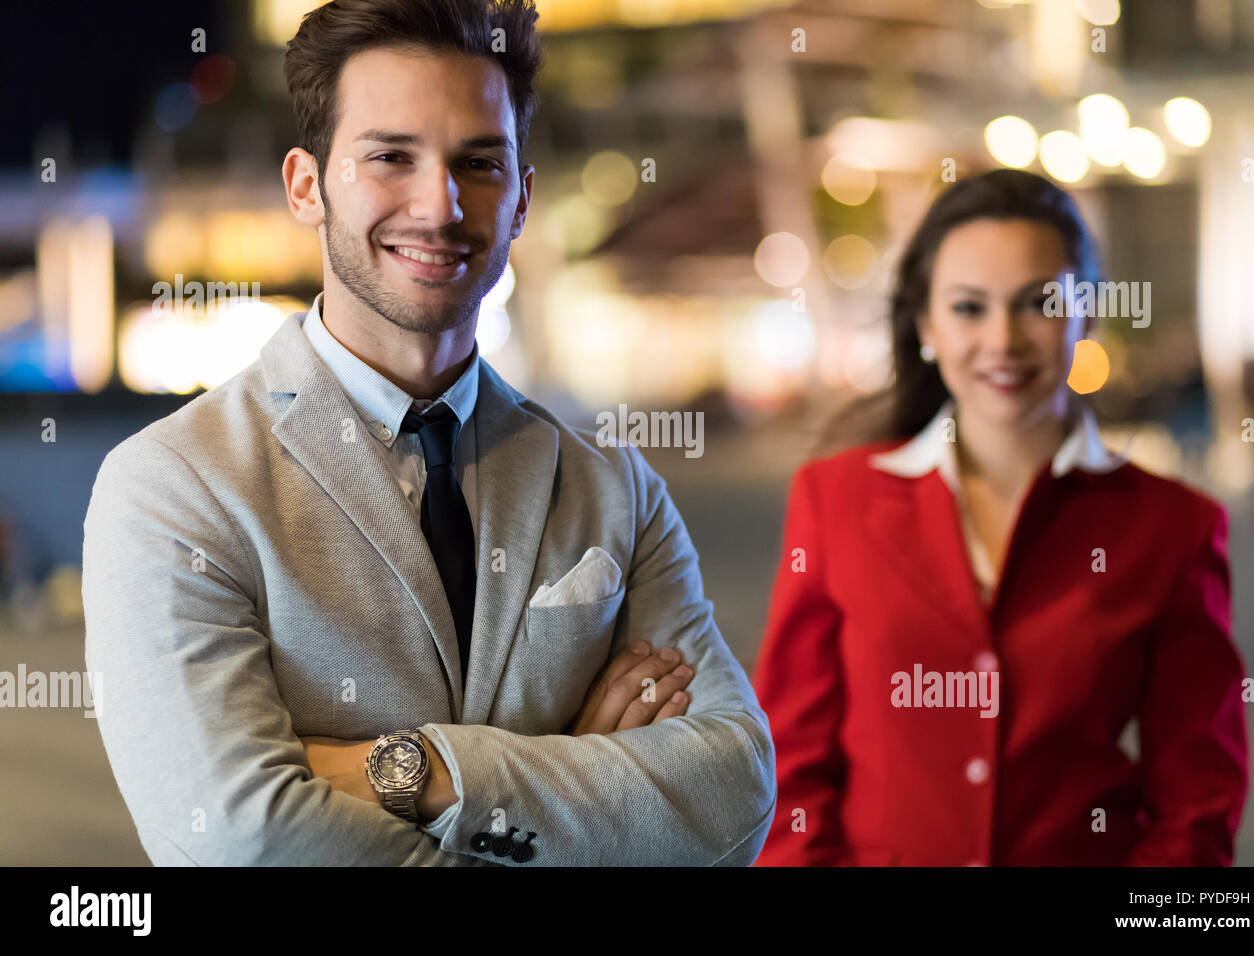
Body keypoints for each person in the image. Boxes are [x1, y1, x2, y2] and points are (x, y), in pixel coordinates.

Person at [82, 0, 774, 866]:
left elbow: (734, 792)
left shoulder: (614, 491)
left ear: (521, 199)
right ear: (307, 185)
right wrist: (580, 774)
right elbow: (239, 833)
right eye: (390, 157)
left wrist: (425, 774)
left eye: (477, 163)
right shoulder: (174, 486)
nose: (439, 204)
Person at [752, 169, 1249, 866]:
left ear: (1087, 315)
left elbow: (1197, 793)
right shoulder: (834, 501)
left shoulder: (1173, 526)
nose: (1003, 339)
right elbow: (788, 762)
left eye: (1038, 303)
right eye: (968, 308)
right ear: (926, 324)